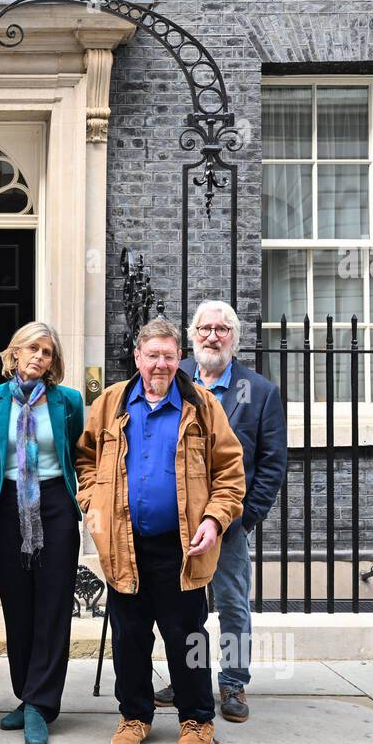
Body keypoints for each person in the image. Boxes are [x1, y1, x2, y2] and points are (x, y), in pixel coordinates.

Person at [75, 316, 245, 744]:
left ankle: (197, 718)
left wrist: (214, 520)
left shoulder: (202, 406)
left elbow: (230, 473)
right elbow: (86, 458)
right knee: (129, 635)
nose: (160, 365)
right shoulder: (111, 402)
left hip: (182, 545)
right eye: (152, 355)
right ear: (137, 357)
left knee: (186, 635)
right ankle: (134, 715)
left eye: (169, 356)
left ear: (179, 358)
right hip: (124, 543)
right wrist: (92, 503)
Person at [153, 301, 286, 722]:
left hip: (229, 523)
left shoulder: (259, 392)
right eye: (205, 328)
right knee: (183, 605)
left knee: (231, 604)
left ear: (235, 337)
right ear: (192, 335)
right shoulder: (172, 378)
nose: (213, 336)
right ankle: (188, 679)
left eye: (222, 329)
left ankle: (232, 682)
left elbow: (272, 464)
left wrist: (245, 518)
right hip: (176, 519)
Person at [0, 322, 83, 744]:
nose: (40, 357)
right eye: (32, 348)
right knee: (17, 605)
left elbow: (78, 451)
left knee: (53, 605)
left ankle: (42, 703)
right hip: (7, 508)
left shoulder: (68, 401)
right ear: (15, 353)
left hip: (54, 505)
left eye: (48, 352)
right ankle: (26, 694)